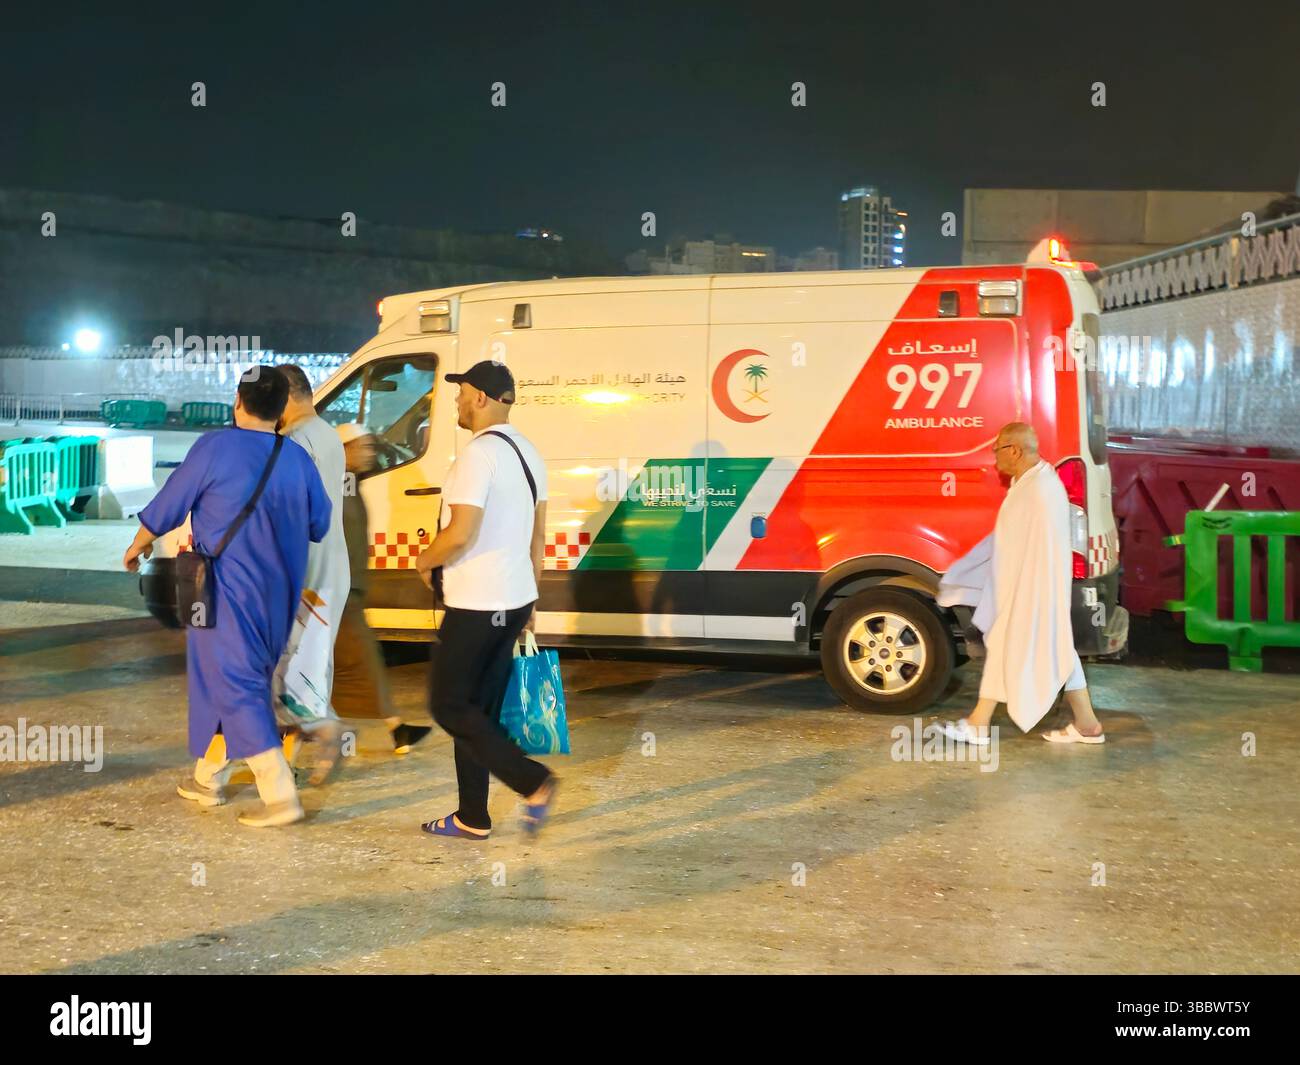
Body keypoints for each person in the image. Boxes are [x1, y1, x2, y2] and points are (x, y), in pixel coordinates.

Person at [123, 366, 331, 827]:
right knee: (230, 679)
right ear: (282, 409)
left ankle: (280, 797)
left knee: (235, 686)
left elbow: (170, 503)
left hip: (221, 595)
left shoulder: (215, 447)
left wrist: (137, 545)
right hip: (278, 598)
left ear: (238, 401)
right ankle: (208, 778)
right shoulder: (296, 458)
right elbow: (321, 524)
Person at [415, 360, 557, 840]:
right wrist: (530, 602)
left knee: (449, 706)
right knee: (478, 712)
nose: (456, 399)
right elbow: (537, 538)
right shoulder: (530, 453)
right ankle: (472, 816)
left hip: (478, 602)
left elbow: (461, 533)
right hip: (513, 598)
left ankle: (531, 781)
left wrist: (424, 560)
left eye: (461, 391)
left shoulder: (478, 457)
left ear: (481, 398)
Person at [937, 422, 1105, 746]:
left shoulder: (1036, 490)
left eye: (996, 450)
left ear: (1013, 450)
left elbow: (1026, 548)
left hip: (1033, 590)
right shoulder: (1035, 482)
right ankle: (1087, 724)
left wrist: (1007, 589)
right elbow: (1008, 541)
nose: (993, 459)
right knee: (1056, 651)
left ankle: (978, 723)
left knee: (1009, 644)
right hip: (1038, 589)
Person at [333, 421, 433, 752]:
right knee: (361, 657)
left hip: (349, 589)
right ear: (344, 451)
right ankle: (395, 728)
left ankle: (394, 728)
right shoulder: (334, 484)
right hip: (337, 592)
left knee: (346, 664)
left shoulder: (350, 483)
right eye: (362, 447)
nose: (369, 453)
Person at [274, 363, 351, 783]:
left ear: (285, 396)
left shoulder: (294, 441)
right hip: (333, 567)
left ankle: (330, 733)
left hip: (307, 569)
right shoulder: (327, 433)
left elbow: (289, 514)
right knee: (309, 664)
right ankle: (288, 761)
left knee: (290, 669)